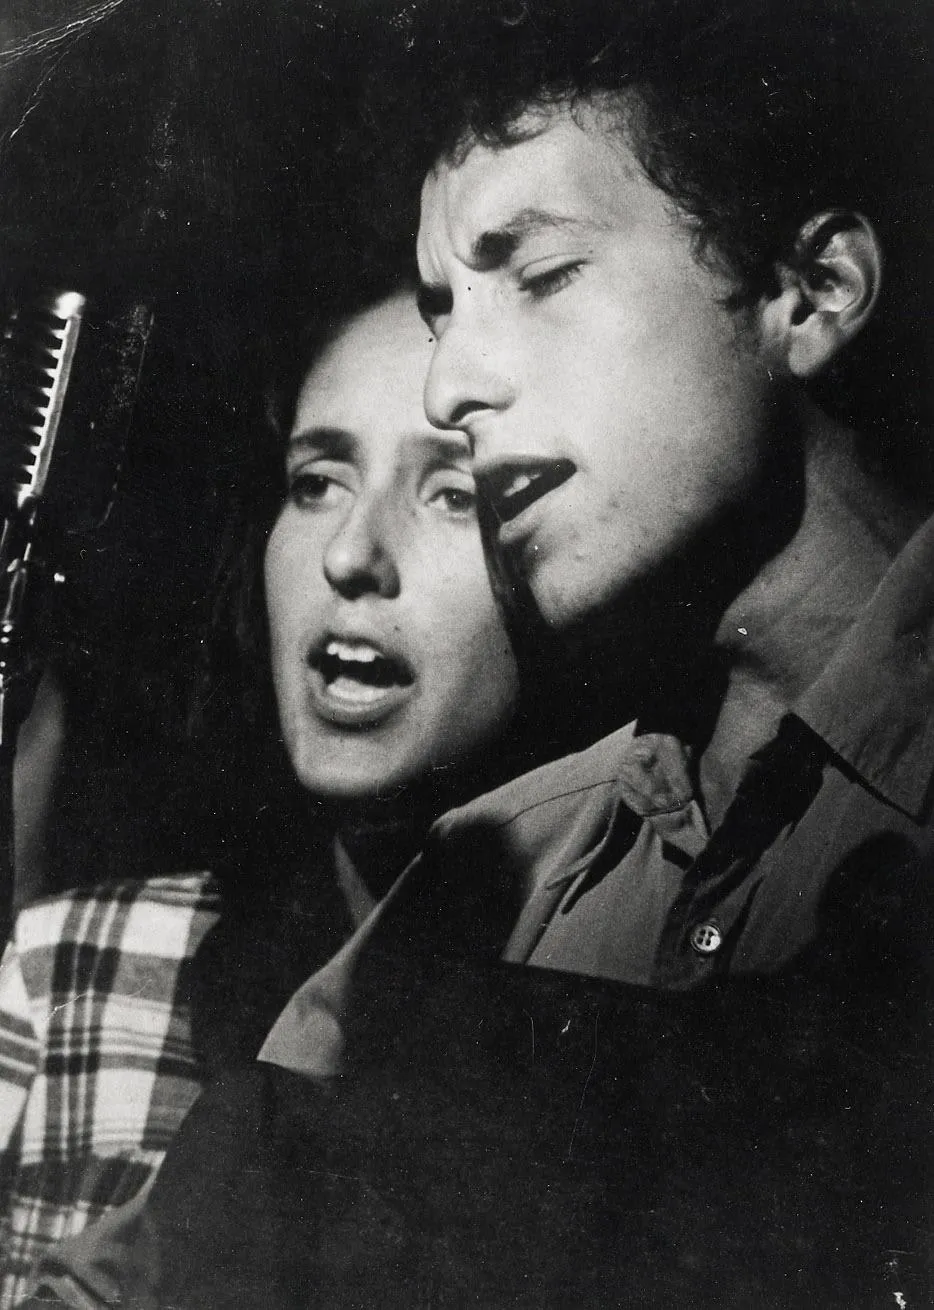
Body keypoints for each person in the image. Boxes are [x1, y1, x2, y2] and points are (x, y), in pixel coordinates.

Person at [20, 1, 934, 1305]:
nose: (452, 388)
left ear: (811, 291)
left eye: (540, 275)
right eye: (446, 307)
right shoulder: (493, 869)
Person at [0, 278, 537, 1307]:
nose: (350, 554)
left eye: (454, 492)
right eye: (317, 480)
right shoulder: (82, 966)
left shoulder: (643, 980)